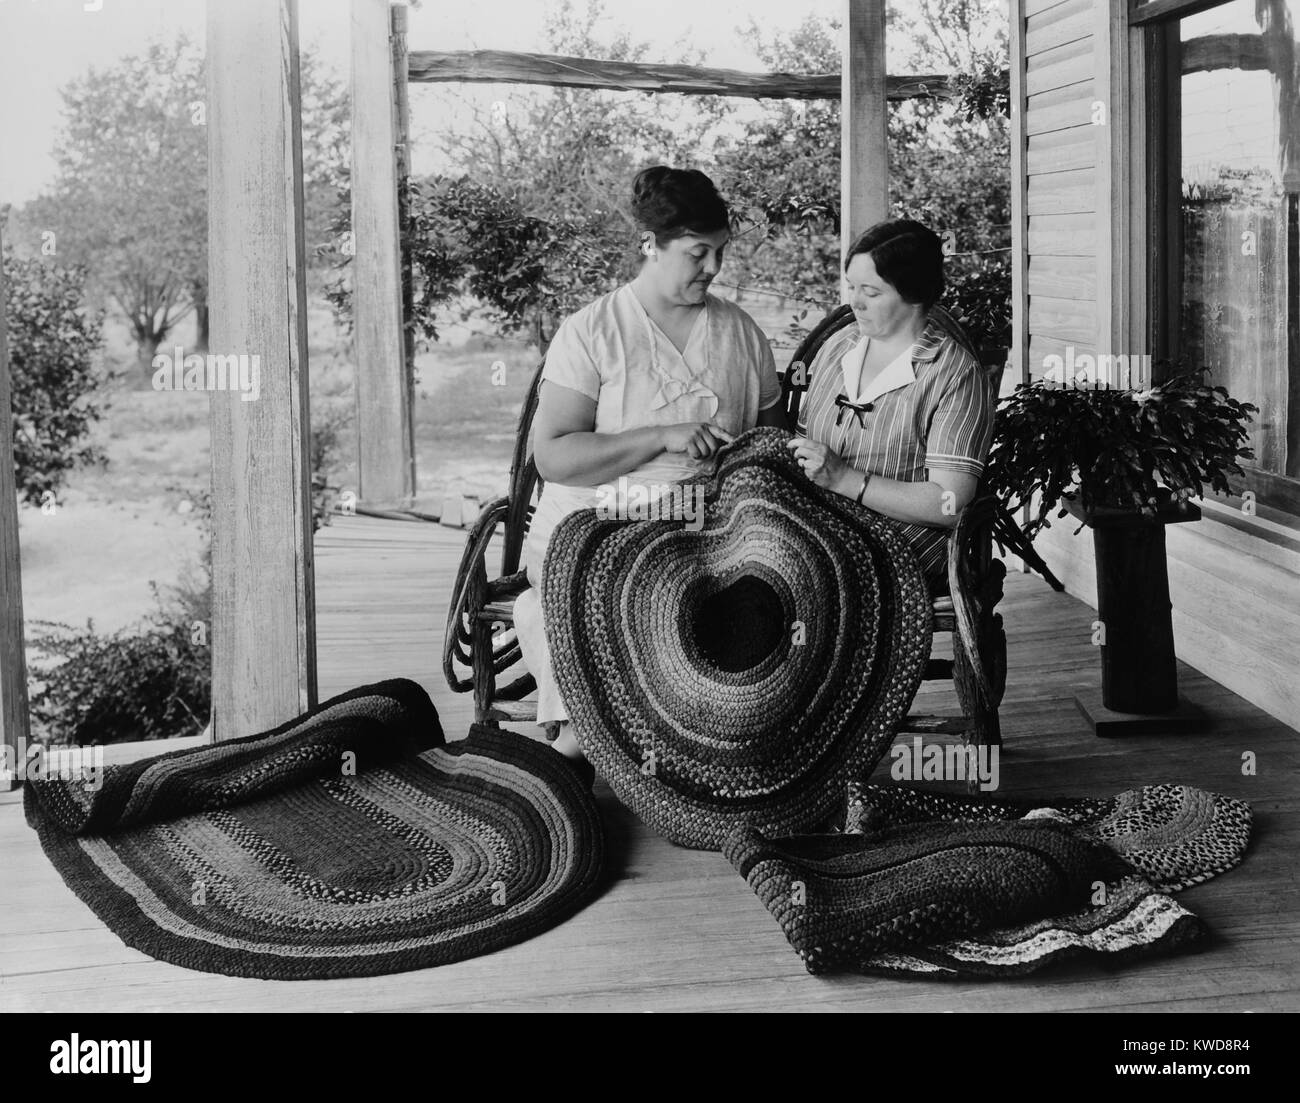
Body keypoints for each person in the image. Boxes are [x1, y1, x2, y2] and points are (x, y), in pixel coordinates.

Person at [512, 166, 788, 762]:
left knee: (719, 597)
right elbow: (555, 455)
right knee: (575, 594)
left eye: (720, 252)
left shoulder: (742, 335)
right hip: (596, 519)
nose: (713, 269)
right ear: (652, 247)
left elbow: (771, 447)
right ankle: (591, 738)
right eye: (697, 254)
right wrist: (661, 434)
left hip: (704, 530)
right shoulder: (593, 332)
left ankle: (651, 742)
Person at [787, 219, 995, 583]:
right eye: (851, 286)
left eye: (871, 291)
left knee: (804, 573)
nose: (854, 302)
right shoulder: (837, 347)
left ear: (913, 293)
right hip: (821, 521)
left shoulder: (953, 373)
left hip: (908, 534)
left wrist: (846, 480)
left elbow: (950, 504)